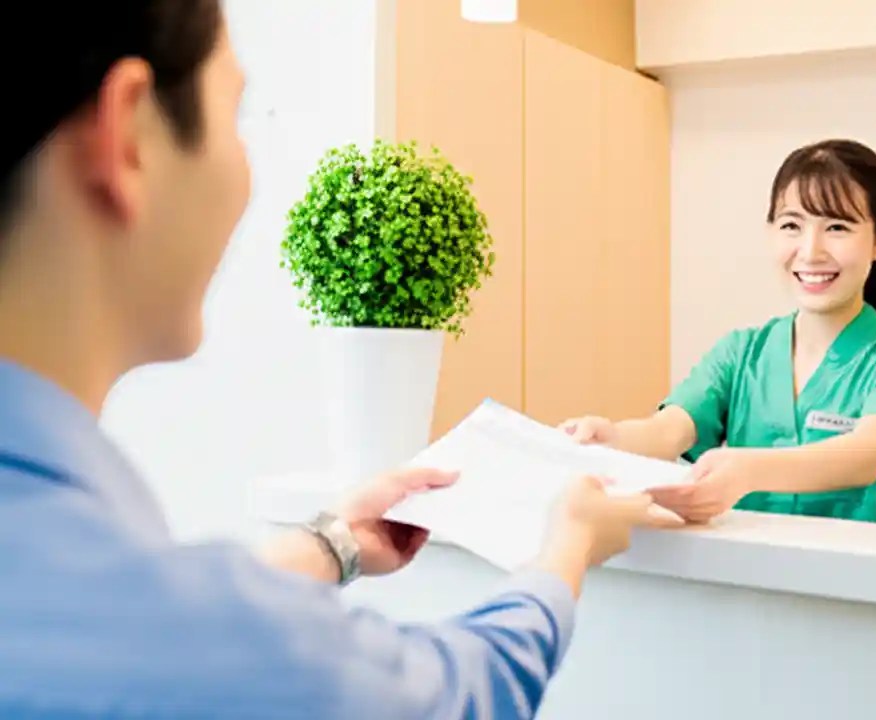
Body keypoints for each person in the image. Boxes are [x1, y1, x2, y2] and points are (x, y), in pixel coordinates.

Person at [0, 3, 672, 718]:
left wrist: (333, 542)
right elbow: (461, 689)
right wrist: (567, 544)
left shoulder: (81, 592)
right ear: (127, 137)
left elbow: (150, 622)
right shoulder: (171, 642)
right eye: (237, 116)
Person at [561, 139, 876, 525]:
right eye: (792, 226)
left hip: (854, 583)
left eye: (837, 227)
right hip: (744, 577)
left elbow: (866, 454)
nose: (811, 251)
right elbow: (668, 431)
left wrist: (747, 470)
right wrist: (610, 438)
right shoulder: (741, 352)